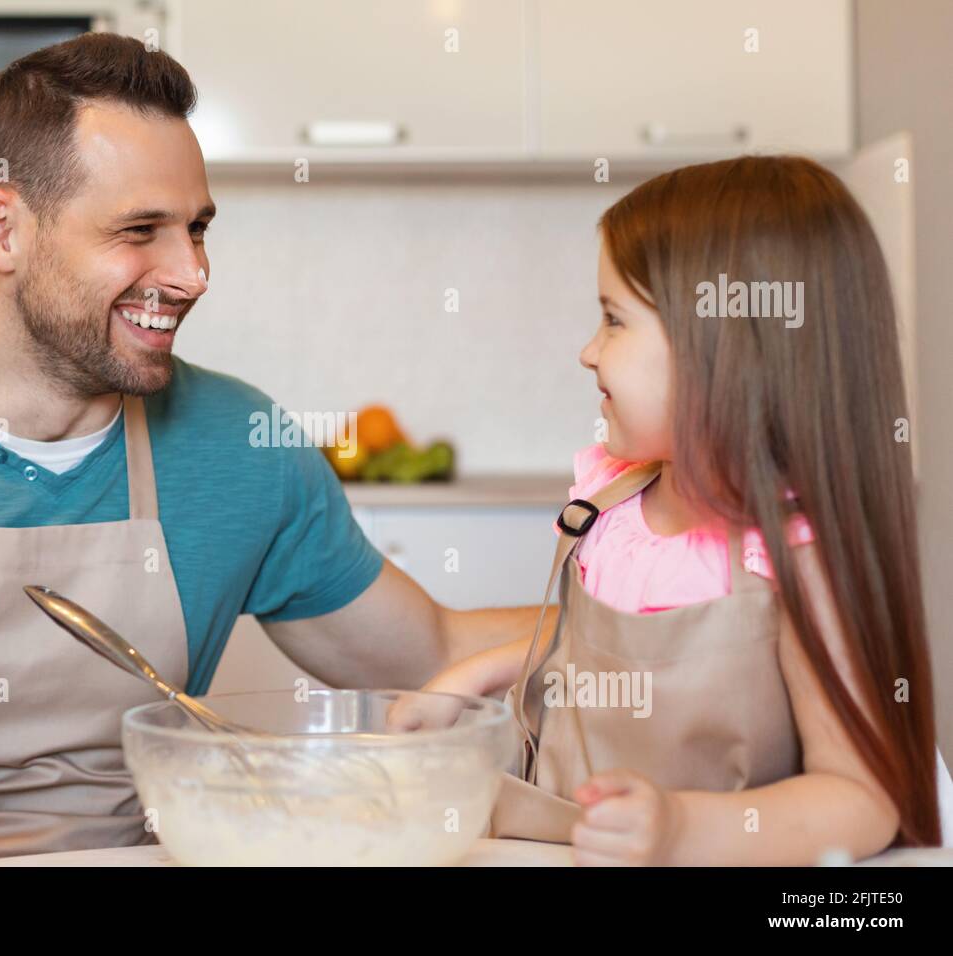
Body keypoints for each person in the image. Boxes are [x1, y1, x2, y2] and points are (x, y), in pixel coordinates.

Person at [0, 33, 531, 863]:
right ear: (1, 231)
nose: (191, 274)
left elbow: (435, 655)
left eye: (199, 229)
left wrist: (656, 622)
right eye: (139, 231)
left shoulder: (242, 450)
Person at [398, 155, 943, 864]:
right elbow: (611, 657)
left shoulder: (792, 554)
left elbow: (862, 800)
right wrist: (478, 679)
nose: (587, 352)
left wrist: (681, 830)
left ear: (727, 349)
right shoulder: (610, 505)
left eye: (613, 320)